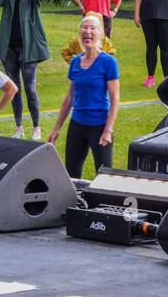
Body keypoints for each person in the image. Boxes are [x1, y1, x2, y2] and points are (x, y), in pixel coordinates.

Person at [49, 14, 121, 178]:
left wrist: (108, 130)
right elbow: (69, 99)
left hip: (100, 126)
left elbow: (115, 99)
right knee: (71, 176)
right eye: (84, 27)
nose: (88, 31)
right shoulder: (75, 62)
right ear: (79, 32)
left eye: (92, 28)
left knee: (104, 176)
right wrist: (56, 129)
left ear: (101, 34)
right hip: (77, 125)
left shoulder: (108, 62)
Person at [0, 0, 50, 140]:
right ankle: (19, 127)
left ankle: (36, 127)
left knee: (30, 88)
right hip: (9, 49)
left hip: (29, 48)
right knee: (13, 88)